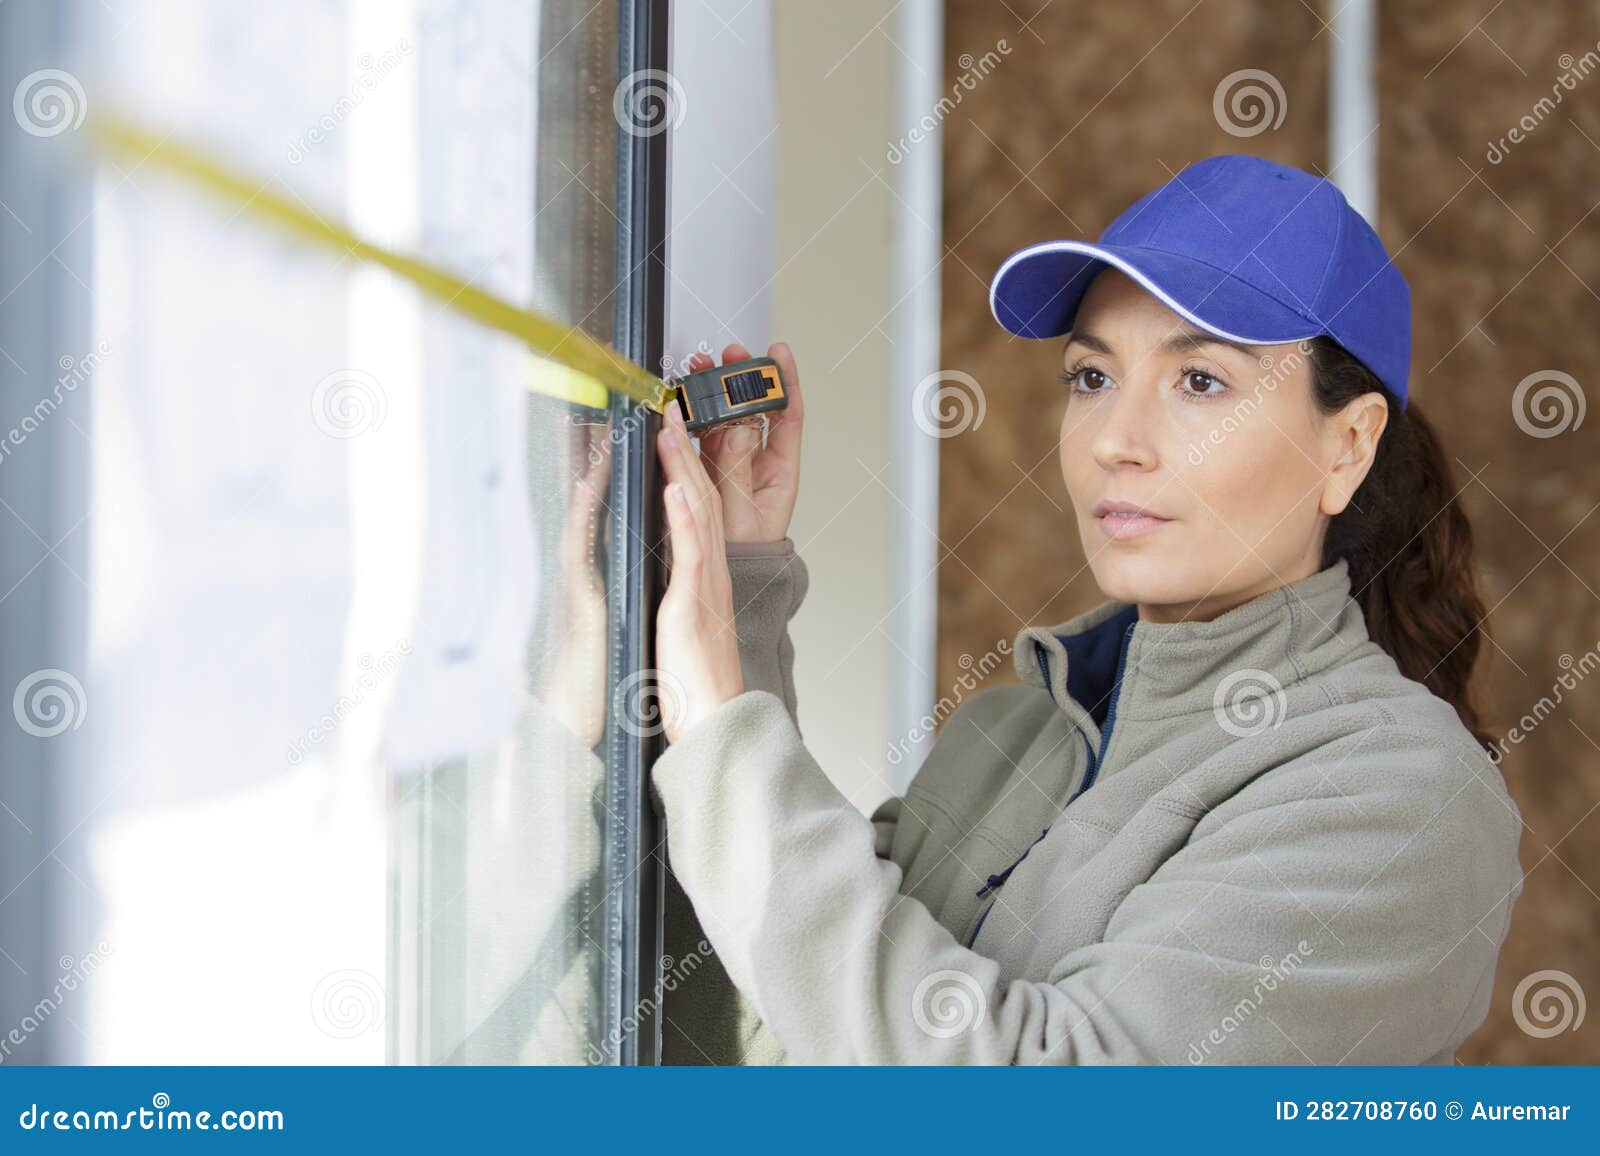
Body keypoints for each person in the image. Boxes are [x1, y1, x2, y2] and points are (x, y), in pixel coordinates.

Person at [650, 154, 1524, 1065]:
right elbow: (792, 1015)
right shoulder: (1009, 732)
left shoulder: (1402, 794)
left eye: (1201, 383)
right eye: (1091, 378)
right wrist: (737, 596)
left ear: (1348, 446)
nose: (1113, 440)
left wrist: (727, 733)